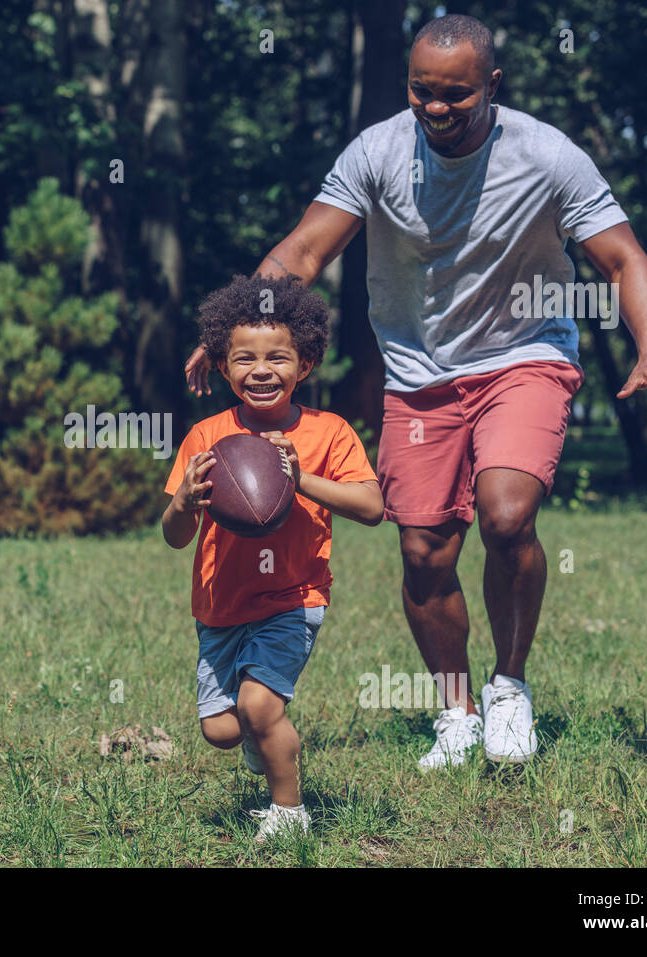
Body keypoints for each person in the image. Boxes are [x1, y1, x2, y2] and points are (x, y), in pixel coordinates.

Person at [183, 14, 647, 770]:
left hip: (523, 357)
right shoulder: (377, 153)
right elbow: (302, 251)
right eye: (421, 91)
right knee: (425, 549)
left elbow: (623, 259)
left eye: (455, 96)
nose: (434, 108)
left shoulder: (546, 156)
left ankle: (509, 686)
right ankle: (456, 709)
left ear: (492, 85)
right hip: (420, 374)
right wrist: (233, 320)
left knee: (506, 513)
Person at [163, 274, 383, 841]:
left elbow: (372, 506)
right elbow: (174, 536)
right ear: (221, 366)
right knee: (221, 730)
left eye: (278, 358)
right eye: (243, 359)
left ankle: (289, 815)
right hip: (219, 605)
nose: (261, 370)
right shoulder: (205, 437)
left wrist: (300, 477)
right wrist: (185, 501)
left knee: (259, 706)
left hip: (293, 596)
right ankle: (264, 742)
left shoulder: (328, 432)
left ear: (305, 364)